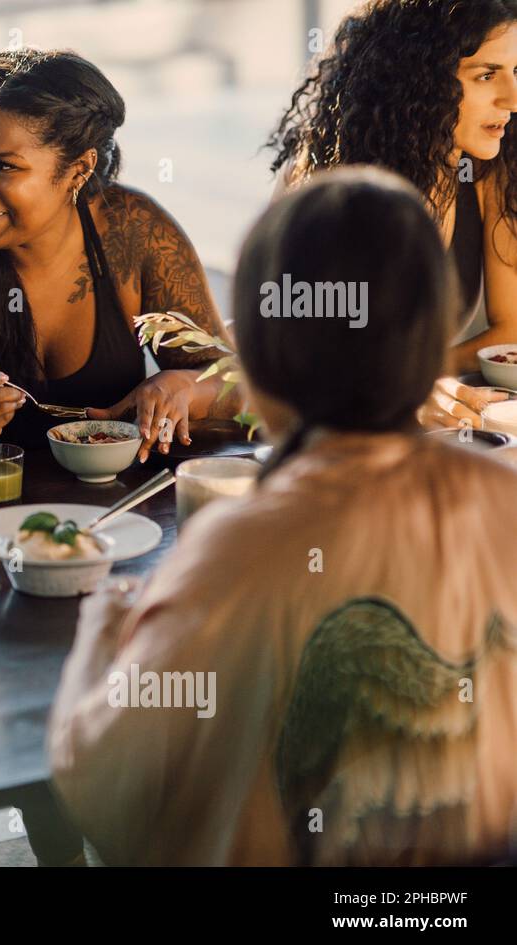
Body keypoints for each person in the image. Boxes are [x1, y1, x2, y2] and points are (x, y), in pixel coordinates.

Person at [48, 168, 517, 865]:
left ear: (259, 370)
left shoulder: (241, 545)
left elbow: (109, 785)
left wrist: (104, 629)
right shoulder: (503, 495)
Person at [0, 48, 239, 470]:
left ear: (79, 169)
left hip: (111, 522)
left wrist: (182, 385)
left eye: (4, 166)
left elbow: (230, 382)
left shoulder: (135, 231)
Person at [269, 0, 517, 425]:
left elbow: (510, 330)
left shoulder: (488, 171)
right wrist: (405, 386)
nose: (512, 100)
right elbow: (291, 347)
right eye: (486, 75)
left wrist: (418, 380)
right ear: (422, 79)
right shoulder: (325, 188)